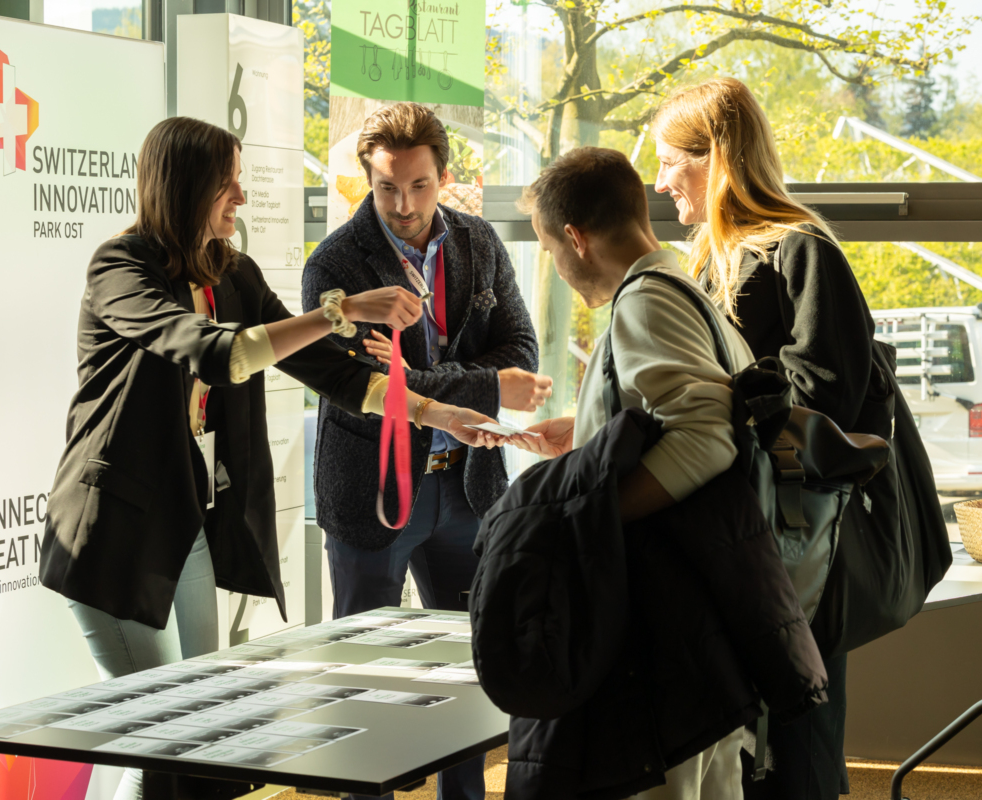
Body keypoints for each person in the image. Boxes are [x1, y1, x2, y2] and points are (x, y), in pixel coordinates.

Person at [39, 116, 496, 800]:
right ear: (186, 187)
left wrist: (439, 414)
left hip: (183, 519)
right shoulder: (121, 268)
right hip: (112, 530)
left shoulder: (232, 272)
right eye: (227, 184)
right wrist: (342, 311)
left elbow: (330, 372)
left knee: (202, 721)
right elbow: (219, 355)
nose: (241, 197)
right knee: (162, 731)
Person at [302, 102, 547, 800]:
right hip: (374, 491)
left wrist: (436, 378)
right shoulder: (334, 267)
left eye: (418, 185)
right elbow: (370, 387)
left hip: (468, 486)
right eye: (386, 187)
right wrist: (489, 384)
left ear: (444, 175)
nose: (403, 205)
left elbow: (522, 352)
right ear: (367, 180)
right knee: (364, 677)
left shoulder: (478, 242)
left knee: (466, 670)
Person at [649, 76, 878, 800]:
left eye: (670, 162)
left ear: (715, 158)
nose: (660, 182)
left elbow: (827, 391)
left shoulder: (799, 249)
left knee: (799, 721)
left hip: (793, 531)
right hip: (741, 524)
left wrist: (725, 400)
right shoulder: (709, 255)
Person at [505, 146, 755, 800]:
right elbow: (680, 416)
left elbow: (706, 437)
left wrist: (591, 517)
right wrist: (591, 433)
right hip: (705, 629)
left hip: (668, 631)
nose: (557, 267)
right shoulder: (686, 292)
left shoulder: (644, 304)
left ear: (575, 238)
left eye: (549, 249)